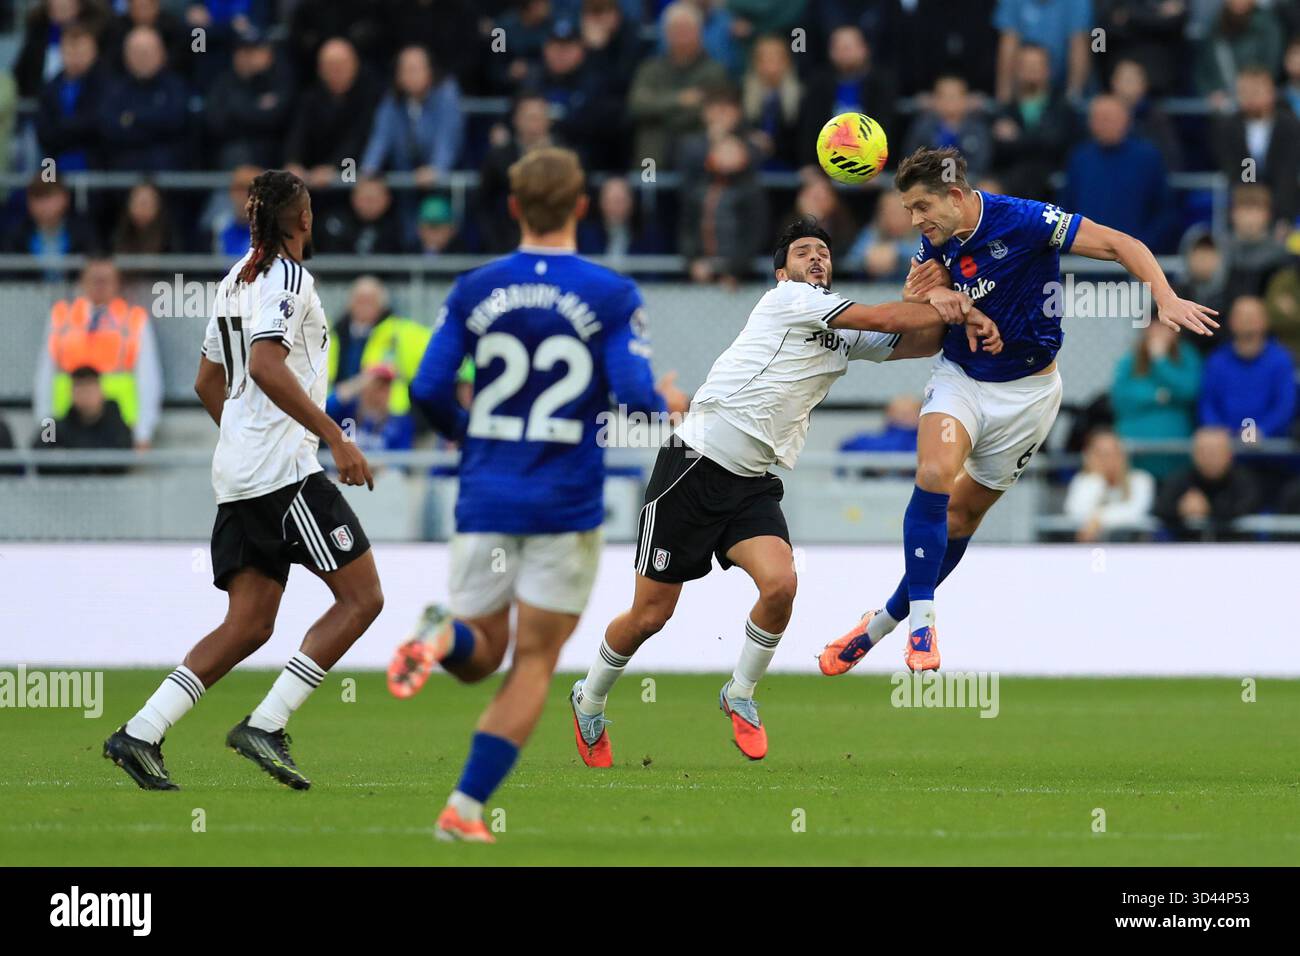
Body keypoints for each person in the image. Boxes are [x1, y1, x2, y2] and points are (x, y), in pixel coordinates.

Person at [570, 215, 1001, 767]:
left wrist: (943, 299)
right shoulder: (788, 301)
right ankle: (590, 697)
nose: (816, 256)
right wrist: (942, 302)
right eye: (803, 251)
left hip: (751, 481)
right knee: (651, 616)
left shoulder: (840, 330)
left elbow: (918, 339)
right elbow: (883, 316)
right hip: (693, 467)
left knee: (781, 586)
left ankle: (740, 694)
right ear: (782, 273)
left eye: (823, 250)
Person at [819, 146, 1217, 677]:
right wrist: (943, 304)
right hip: (962, 378)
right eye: (909, 210)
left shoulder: (1027, 220)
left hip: (1029, 396)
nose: (914, 221)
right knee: (934, 473)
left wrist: (1163, 297)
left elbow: (1120, 243)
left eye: (921, 208)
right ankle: (923, 624)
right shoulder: (933, 241)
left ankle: (880, 624)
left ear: (954, 196)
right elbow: (918, 310)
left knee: (961, 517)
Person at [386, 147, 688, 843]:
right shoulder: (612, 293)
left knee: (479, 653)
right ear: (581, 206)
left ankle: (443, 635)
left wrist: (469, 437)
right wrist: (666, 403)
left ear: (514, 206)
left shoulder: (474, 287)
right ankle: (463, 809)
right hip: (563, 504)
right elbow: (635, 395)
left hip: (485, 495)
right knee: (529, 662)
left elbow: (426, 387)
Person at [104, 170, 383, 792]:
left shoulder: (235, 279)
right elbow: (264, 364)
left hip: (240, 475)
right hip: (284, 475)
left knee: (251, 623)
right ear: (302, 219)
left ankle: (141, 732)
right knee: (363, 598)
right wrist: (335, 437)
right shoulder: (288, 279)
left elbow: (207, 381)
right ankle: (267, 723)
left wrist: (240, 436)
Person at [35, 258, 163, 449]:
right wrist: (48, 436)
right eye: (94, 279)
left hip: (117, 429)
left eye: (106, 280)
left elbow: (148, 379)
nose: (100, 286)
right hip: (66, 428)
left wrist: (142, 433)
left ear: (117, 283)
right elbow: (45, 378)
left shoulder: (133, 319)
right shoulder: (61, 316)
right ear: (82, 281)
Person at [1110, 319, 1202, 481]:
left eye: (1167, 327)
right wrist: (1159, 395)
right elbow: (1121, 397)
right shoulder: (1131, 358)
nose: (1160, 332)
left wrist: (1161, 361)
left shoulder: (1187, 355)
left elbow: (1190, 390)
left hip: (1176, 455)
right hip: (1135, 455)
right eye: (1156, 326)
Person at [1199, 296, 1297, 440]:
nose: (1247, 320)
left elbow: (1285, 405)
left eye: (1253, 315)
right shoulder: (1217, 360)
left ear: (1266, 320)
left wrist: (1263, 430)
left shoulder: (1281, 360)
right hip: (1225, 445)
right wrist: (1217, 430)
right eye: (1241, 315)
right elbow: (1207, 403)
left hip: (1271, 445)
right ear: (1231, 321)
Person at [1155, 426, 1261, 541]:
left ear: (1229, 454)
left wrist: (1208, 510)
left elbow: (1248, 507)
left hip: (1234, 546)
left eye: (1214, 452)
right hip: (1187, 547)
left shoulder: (1244, 480)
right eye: (1203, 452)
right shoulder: (1180, 479)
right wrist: (1180, 509)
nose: (1209, 458)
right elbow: (1160, 509)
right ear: (1193, 455)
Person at [30, 366, 134, 475]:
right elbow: (38, 454)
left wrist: (67, 458)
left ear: (100, 391)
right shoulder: (54, 427)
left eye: (89, 390)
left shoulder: (117, 426)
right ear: (71, 393)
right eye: (80, 390)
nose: (85, 396)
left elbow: (120, 462)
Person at [1063, 429, 1156, 542]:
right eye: (1101, 454)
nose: (1109, 459)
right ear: (1089, 457)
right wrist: (1096, 478)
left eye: (1114, 453)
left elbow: (1135, 511)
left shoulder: (1140, 479)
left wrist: (1098, 520)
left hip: (1132, 546)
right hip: (1090, 546)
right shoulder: (1084, 481)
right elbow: (1075, 512)